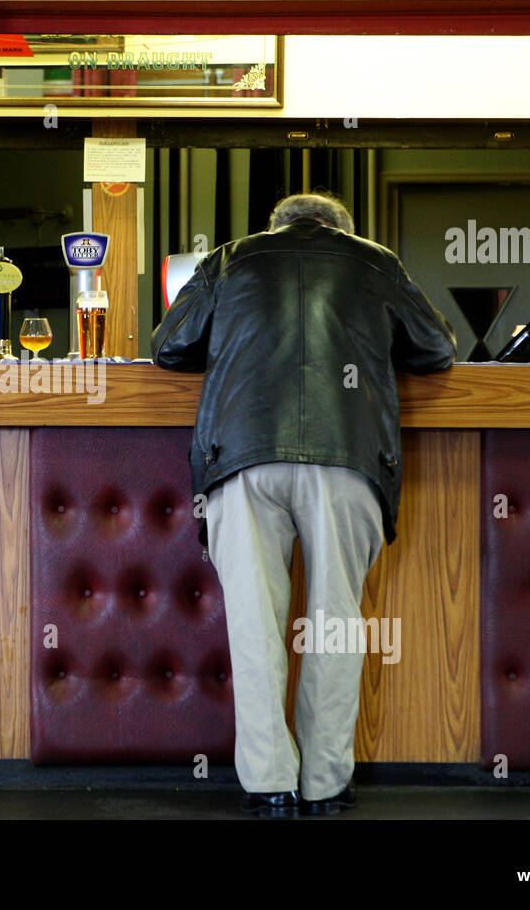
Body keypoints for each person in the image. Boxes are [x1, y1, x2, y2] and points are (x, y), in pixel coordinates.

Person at [151, 191, 456, 818]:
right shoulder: (375, 262)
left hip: (243, 457)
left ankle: (269, 785)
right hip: (346, 460)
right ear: (342, 231)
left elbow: (169, 346)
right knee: (336, 621)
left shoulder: (231, 260)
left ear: (273, 228)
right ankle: (326, 784)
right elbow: (436, 350)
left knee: (256, 625)